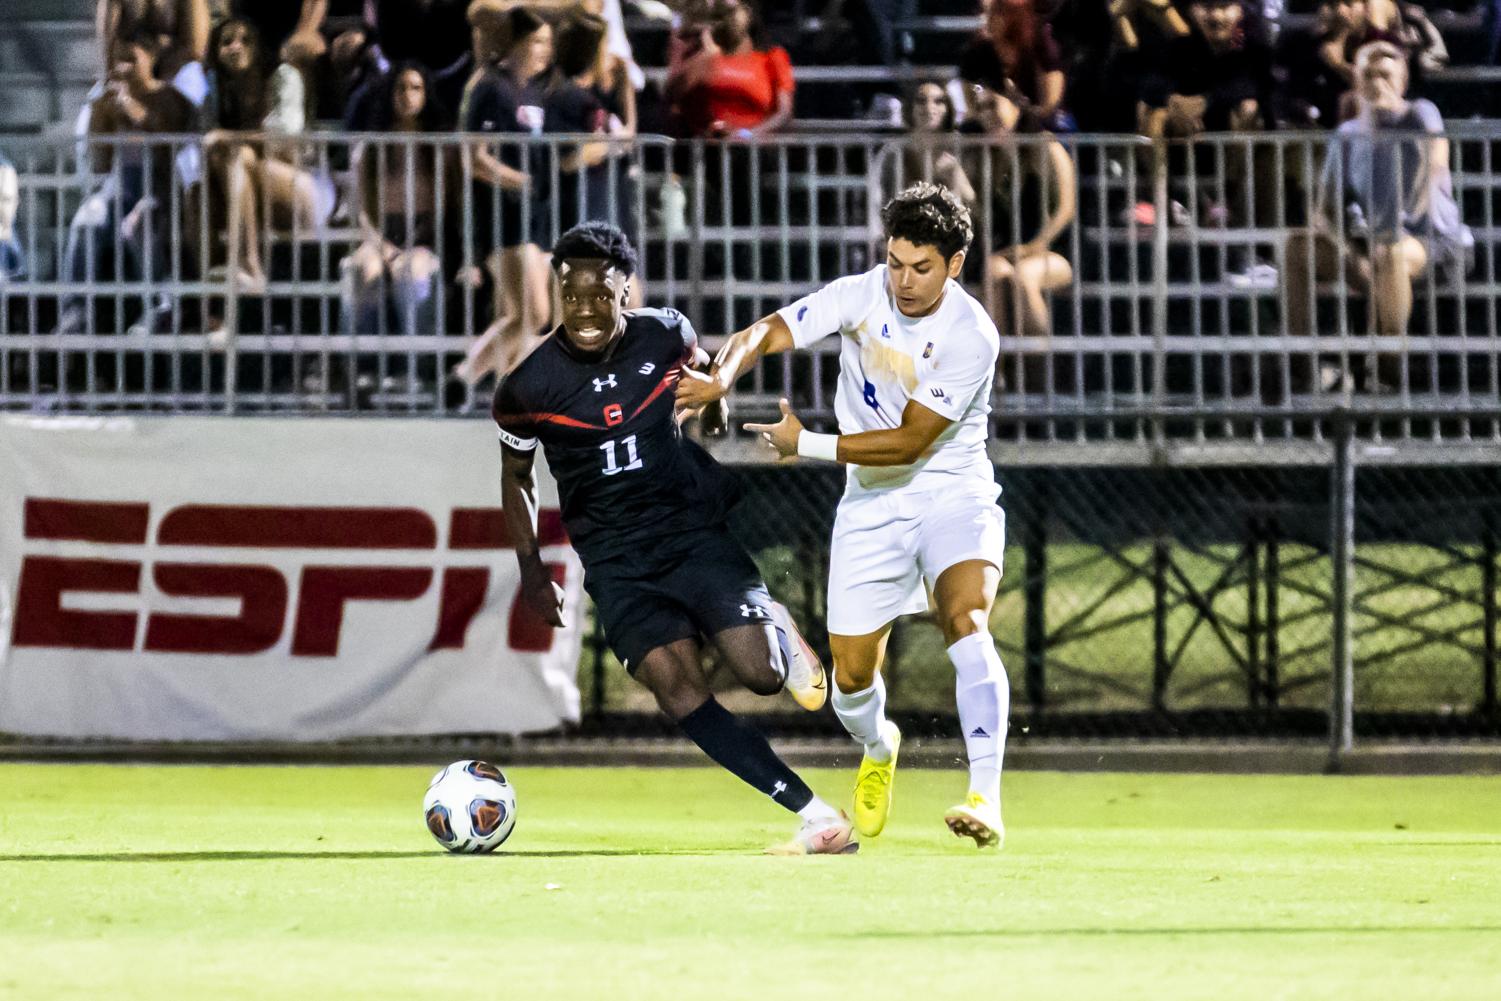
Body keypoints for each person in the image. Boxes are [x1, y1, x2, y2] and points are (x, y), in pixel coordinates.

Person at [494, 221, 853, 855]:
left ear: (624, 290)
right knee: (678, 690)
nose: (583, 308)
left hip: (687, 529)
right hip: (614, 557)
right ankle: (814, 815)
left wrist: (712, 403)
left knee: (764, 676)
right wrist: (529, 568)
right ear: (555, 292)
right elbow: (517, 477)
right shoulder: (526, 387)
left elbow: (709, 388)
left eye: (598, 293)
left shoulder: (666, 333)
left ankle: (773, 620)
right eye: (570, 294)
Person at [678, 183, 1011, 849]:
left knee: (966, 621)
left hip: (952, 491)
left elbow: (912, 441)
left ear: (955, 263)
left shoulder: (971, 334)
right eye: (894, 261)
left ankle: (984, 796)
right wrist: (722, 374)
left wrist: (806, 444)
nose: (903, 280)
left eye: (921, 267)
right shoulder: (860, 294)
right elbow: (765, 332)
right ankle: (880, 743)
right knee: (851, 680)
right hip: (870, 503)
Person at [1282, 41, 1471, 392]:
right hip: (1370, 245)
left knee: (1389, 250)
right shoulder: (1346, 134)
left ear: (1402, 81)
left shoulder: (1420, 113)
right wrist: (1350, 248)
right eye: (1367, 75)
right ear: (1355, 82)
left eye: (1385, 74)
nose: (1376, 83)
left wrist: (1392, 226)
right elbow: (1324, 210)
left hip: (1433, 239)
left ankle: (1388, 371)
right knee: (1297, 245)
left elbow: (1432, 166)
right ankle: (1302, 369)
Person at [454, 7, 556, 387]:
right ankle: (465, 376)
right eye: (537, 42)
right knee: (532, 312)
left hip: (530, 214)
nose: (545, 50)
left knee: (527, 314)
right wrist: (523, 182)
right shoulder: (491, 87)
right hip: (501, 212)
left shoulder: (532, 90)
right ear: (516, 44)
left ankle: (498, 386)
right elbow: (476, 159)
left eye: (548, 42)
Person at [345, 63, 459, 340]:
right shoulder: (370, 149)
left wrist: (414, 243)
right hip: (381, 232)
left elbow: (446, 205)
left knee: (412, 274)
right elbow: (361, 212)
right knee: (364, 270)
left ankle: (418, 365)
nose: (408, 95)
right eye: (401, 88)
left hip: (424, 233)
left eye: (416, 88)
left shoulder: (439, 149)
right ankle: (360, 366)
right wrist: (383, 247)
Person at [969, 86, 1075, 349]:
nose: (986, 115)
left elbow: (1066, 208)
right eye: (981, 108)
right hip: (1009, 250)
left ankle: (1041, 376)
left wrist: (1034, 246)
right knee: (995, 271)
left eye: (993, 105)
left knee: (1024, 278)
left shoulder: (1045, 146)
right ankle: (999, 374)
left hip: (1054, 248)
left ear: (1016, 106)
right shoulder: (988, 159)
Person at [664, 0, 794, 140]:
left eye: (733, 10)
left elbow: (784, 113)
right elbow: (675, 97)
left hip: (755, 148)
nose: (728, 16)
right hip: (707, 144)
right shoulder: (705, 55)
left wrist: (746, 135)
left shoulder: (771, 57)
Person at [956, 0, 1069, 131]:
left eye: (996, 13)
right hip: (993, 122)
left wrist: (1023, 110)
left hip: (1041, 122)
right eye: (983, 12)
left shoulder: (1040, 43)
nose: (987, 19)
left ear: (1014, 16)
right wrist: (985, 97)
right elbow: (971, 93)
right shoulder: (978, 50)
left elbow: (1049, 104)